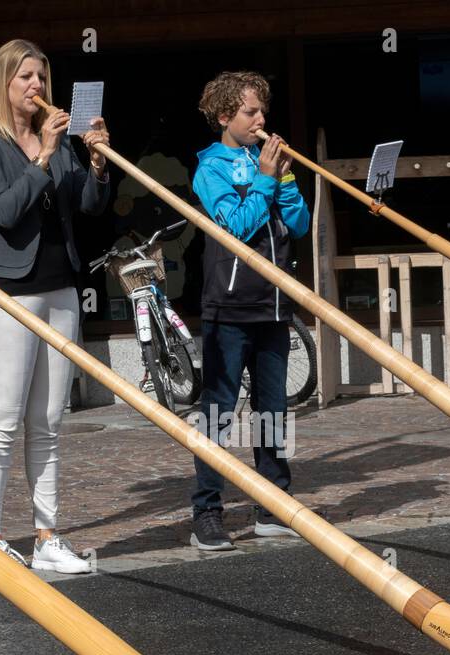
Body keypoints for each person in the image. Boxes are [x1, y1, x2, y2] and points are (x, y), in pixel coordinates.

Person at [0, 39, 111, 574]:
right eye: (26, 78)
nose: (37, 88)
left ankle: (47, 535)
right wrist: (43, 155)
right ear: (4, 84)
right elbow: (3, 209)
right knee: (2, 420)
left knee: (49, 421)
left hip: (60, 288)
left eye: (43, 79)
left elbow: (88, 209)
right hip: (6, 293)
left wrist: (94, 164)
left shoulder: (61, 139)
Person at [189, 71, 310, 551]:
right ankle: (206, 513)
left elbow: (297, 222)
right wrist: (263, 178)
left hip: (274, 305)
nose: (261, 120)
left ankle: (273, 505)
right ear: (224, 117)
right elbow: (233, 228)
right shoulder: (210, 167)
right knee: (218, 413)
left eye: (263, 110)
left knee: (273, 411)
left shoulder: (271, 161)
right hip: (229, 305)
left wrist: (282, 180)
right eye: (250, 112)